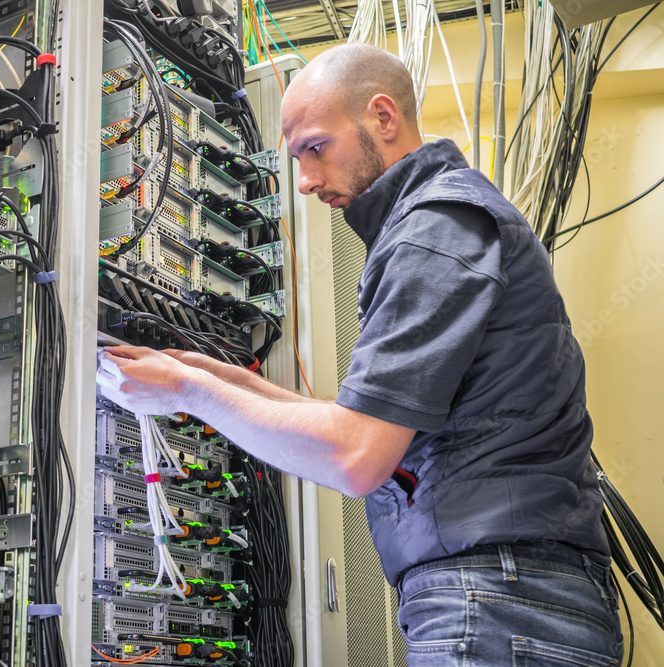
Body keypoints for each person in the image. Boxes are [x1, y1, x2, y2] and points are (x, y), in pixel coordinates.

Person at [96, 43, 622, 664]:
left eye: (316, 148)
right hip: (506, 596)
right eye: (296, 159)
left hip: (500, 597)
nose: (307, 181)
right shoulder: (436, 220)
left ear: (382, 117)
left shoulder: (436, 227)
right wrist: (211, 373)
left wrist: (188, 393)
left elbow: (355, 454)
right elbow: (360, 426)